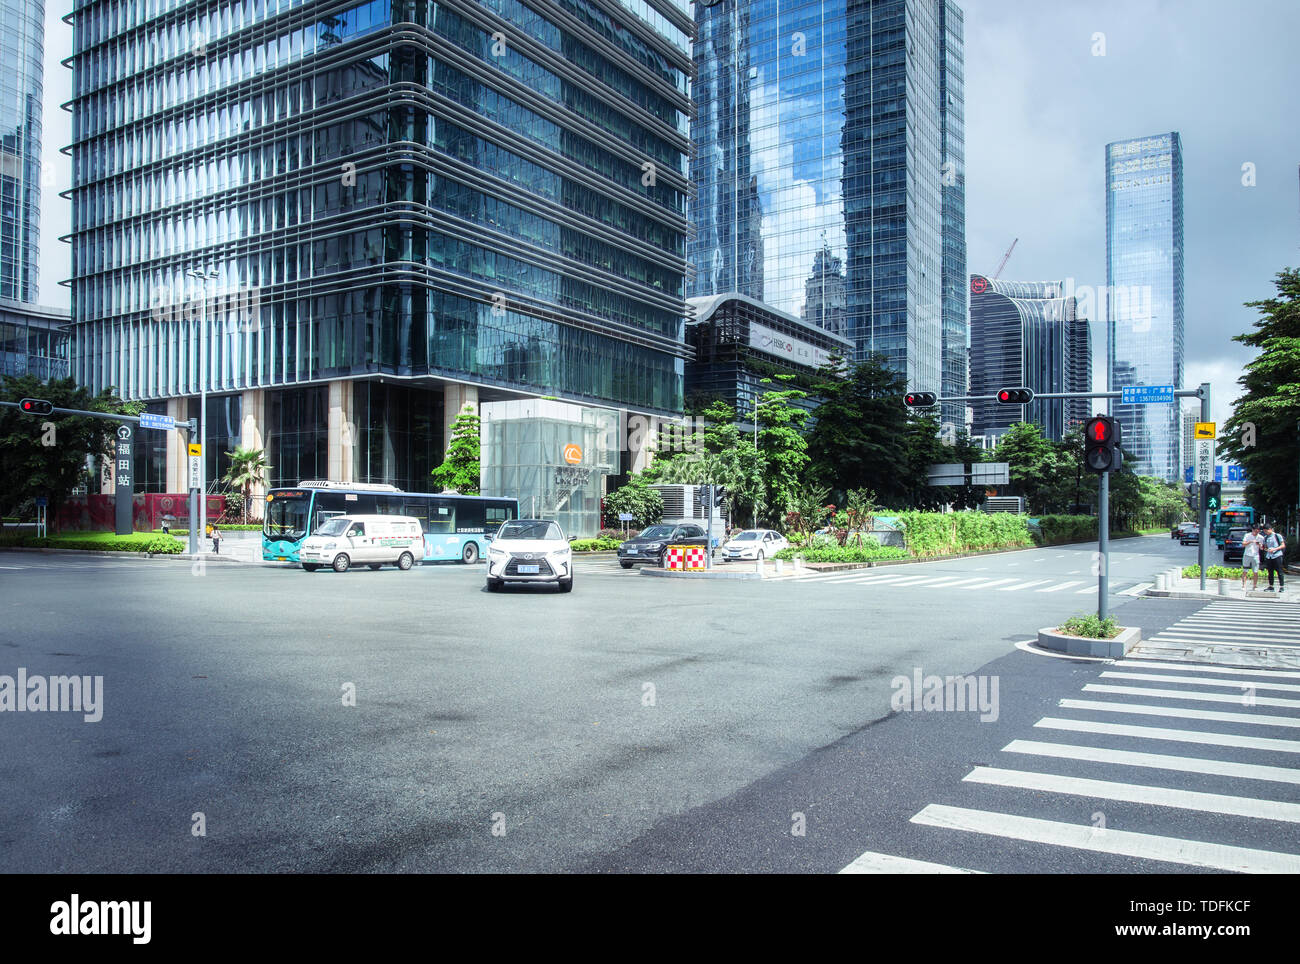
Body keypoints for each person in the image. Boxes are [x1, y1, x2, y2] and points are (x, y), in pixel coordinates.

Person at [1261, 523, 1286, 593]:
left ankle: (1282, 587)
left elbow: (1283, 545)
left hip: (1277, 555)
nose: (1265, 532)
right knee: (1270, 572)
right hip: (1269, 556)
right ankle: (1271, 586)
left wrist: (1275, 549)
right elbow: (1265, 547)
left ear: (1270, 529)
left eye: (1266, 531)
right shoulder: (1265, 537)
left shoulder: (1277, 536)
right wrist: (1264, 548)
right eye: (1264, 531)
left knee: (1279, 571)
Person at [1240, 524, 1262, 592]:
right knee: (1245, 571)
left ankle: (1254, 586)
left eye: (1258, 531)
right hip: (1247, 554)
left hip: (1255, 555)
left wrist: (1260, 545)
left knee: (1255, 571)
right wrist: (1250, 542)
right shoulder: (1247, 535)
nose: (1256, 533)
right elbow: (1243, 544)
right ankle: (1243, 585)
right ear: (1252, 530)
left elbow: (1262, 548)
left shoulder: (1261, 537)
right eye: (1255, 531)